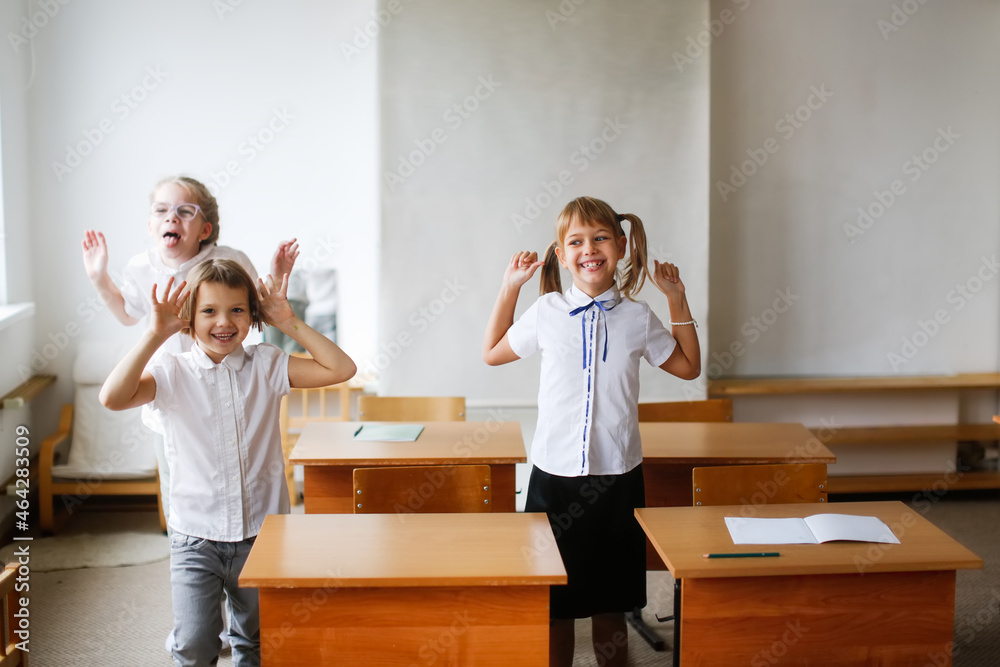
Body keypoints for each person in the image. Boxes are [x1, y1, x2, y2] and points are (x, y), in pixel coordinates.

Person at [100, 259, 356, 666]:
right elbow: (112, 398)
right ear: (188, 317)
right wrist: (154, 334)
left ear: (253, 315)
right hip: (194, 537)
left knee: (257, 640)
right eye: (209, 311)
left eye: (237, 309)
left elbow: (342, 368)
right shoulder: (170, 371)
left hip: (262, 534)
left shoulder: (268, 364)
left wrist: (287, 321)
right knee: (194, 644)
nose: (224, 321)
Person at [482, 196, 701, 667]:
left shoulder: (638, 318)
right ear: (562, 254)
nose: (589, 249)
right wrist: (509, 288)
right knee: (555, 608)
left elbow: (688, 367)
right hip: (553, 479)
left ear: (620, 246)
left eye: (600, 237)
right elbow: (493, 352)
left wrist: (676, 299)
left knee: (610, 606)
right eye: (576, 241)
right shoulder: (547, 311)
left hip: (617, 480)